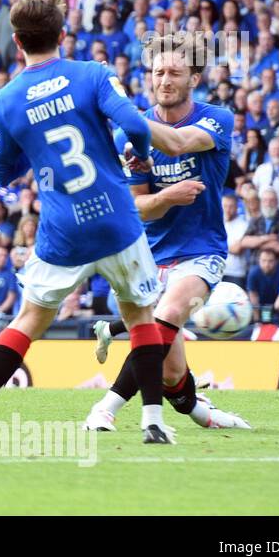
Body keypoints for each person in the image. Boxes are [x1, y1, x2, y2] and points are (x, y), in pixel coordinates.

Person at [0, 0, 173, 445]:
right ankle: (153, 423)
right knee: (141, 316)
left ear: (18, 43)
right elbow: (139, 127)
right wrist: (139, 159)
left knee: (28, 321)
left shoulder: (6, 99)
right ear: (62, 34)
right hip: (117, 221)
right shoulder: (92, 74)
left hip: (63, 232)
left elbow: (3, 173)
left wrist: (37, 151)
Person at [85, 32, 250, 432]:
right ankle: (204, 413)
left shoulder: (217, 118)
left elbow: (177, 144)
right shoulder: (129, 137)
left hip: (201, 249)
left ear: (194, 78)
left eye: (175, 72)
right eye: (158, 72)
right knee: (172, 375)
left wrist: (127, 115)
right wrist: (167, 198)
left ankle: (104, 407)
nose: (164, 80)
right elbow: (136, 207)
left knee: (170, 312)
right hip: (150, 255)